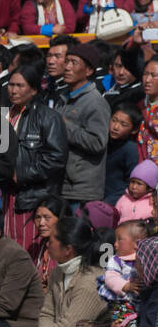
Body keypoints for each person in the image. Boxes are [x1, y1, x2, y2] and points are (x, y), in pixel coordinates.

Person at [0, 215, 108, 327]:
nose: (47, 244)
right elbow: (47, 313)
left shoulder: (90, 281)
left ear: (67, 249)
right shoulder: (57, 272)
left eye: (51, 241)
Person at [3, 63, 68, 251]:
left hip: (35, 196)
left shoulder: (48, 117)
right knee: (10, 246)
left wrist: (21, 174)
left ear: (33, 90)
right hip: (7, 194)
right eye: (11, 85)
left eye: (20, 86)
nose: (13, 90)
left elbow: (56, 157)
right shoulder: (4, 115)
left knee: (31, 247)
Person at [57, 42, 111, 206]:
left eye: (74, 62)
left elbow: (97, 143)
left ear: (88, 70)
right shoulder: (63, 97)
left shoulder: (95, 102)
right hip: (62, 185)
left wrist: (64, 126)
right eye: (66, 61)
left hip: (82, 190)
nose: (67, 67)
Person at [104, 102, 143, 204]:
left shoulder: (130, 149)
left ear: (134, 130)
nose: (116, 127)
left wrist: (109, 202)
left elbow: (129, 182)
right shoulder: (103, 141)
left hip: (113, 201)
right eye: (114, 120)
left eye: (123, 124)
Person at [116, 159, 158, 223]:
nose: (134, 187)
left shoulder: (153, 203)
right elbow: (115, 217)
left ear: (150, 188)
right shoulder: (123, 199)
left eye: (139, 184)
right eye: (132, 182)